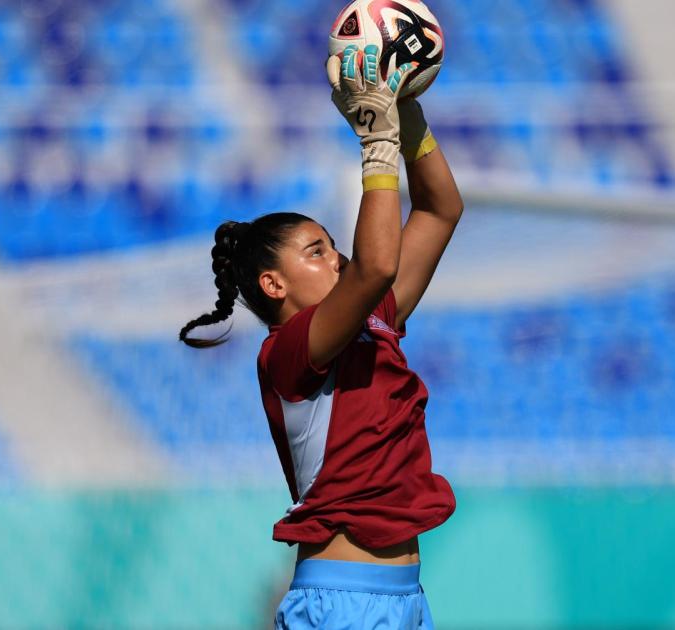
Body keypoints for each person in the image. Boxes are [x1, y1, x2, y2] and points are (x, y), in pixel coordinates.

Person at [180, 44, 463, 629]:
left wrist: (406, 113)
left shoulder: (374, 318)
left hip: (406, 598)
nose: (336, 260)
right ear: (272, 284)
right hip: (343, 603)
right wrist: (376, 141)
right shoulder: (288, 353)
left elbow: (440, 210)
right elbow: (377, 264)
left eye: (334, 247)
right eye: (317, 252)